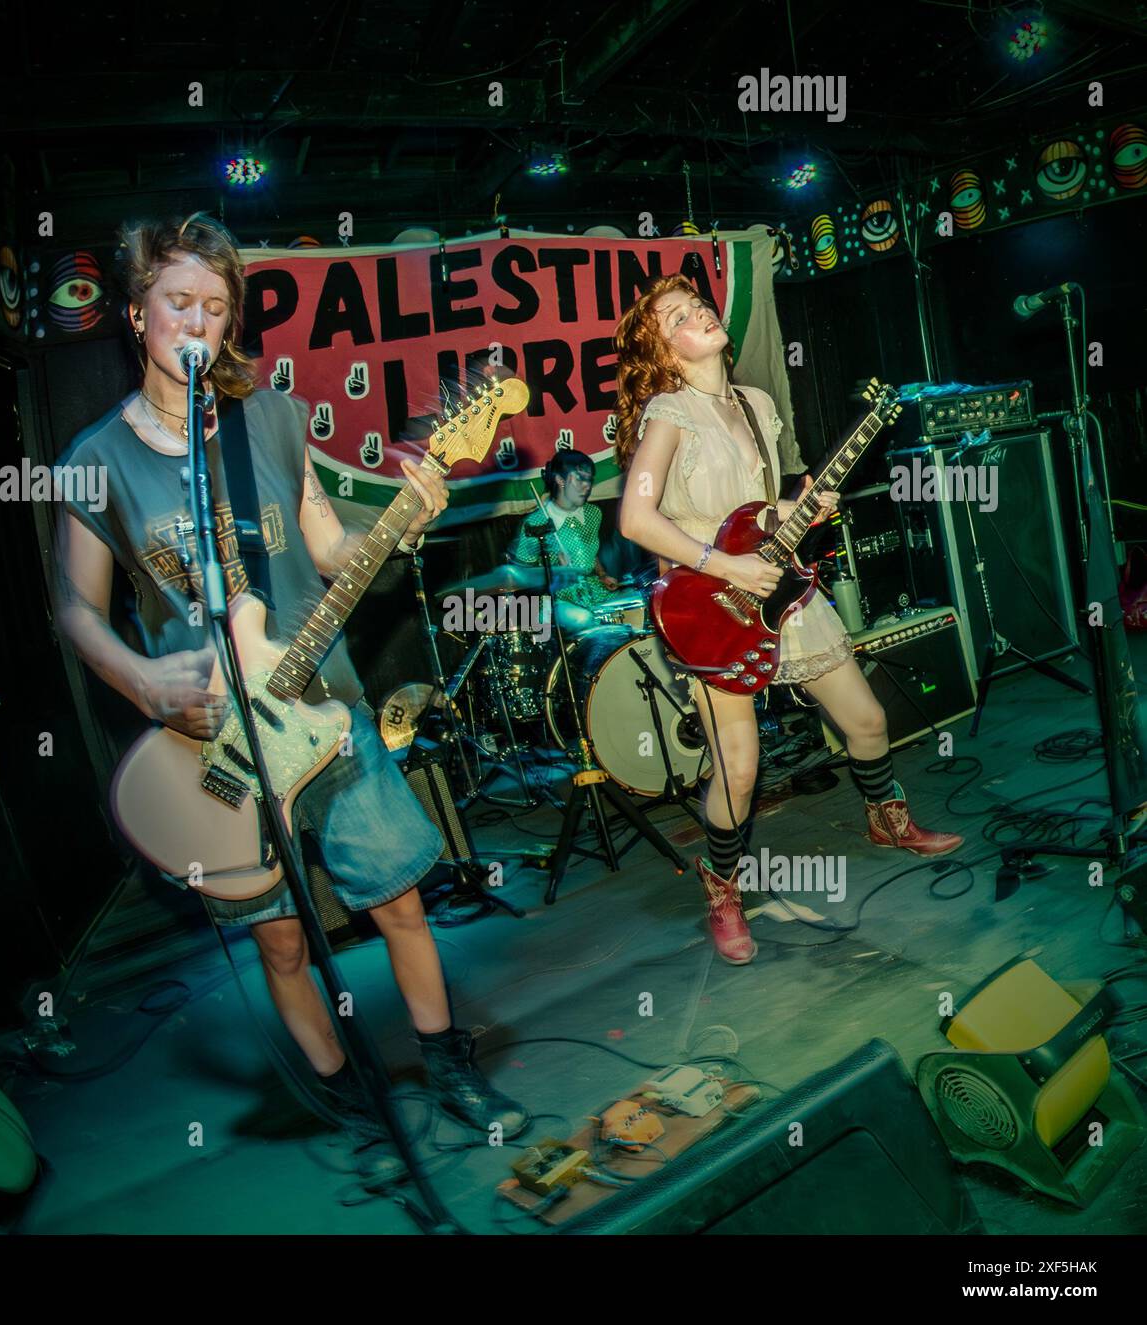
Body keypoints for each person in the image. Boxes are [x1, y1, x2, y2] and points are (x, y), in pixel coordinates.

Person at [53, 213, 528, 1190]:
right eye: (179, 301)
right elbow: (75, 608)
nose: (198, 321)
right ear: (138, 311)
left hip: (329, 711)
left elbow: (326, 548)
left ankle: (447, 1066)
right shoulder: (96, 458)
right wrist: (140, 679)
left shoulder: (267, 413)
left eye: (216, 306)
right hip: (212, 745)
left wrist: (399, 519)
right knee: (278, 935)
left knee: (396, 898)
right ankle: (347, 1092)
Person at [614, 274, 962, 964]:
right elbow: (636, 518)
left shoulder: (757, 402)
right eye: (680, 316)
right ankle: (722, 888)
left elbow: (756, 509)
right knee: (739, 770)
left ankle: (885, 816)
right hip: (713, 605)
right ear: (666, 350)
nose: (702, 314)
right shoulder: (666, 414)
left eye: (700, 304)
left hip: (777, 585)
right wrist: (726, 566)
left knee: (867, 721)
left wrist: (793, 512)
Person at [507, 449, 620, 632]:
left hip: (592, 592)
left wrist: (602, 575)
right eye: (579, 479)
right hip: (556, 599)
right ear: (560, 480)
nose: (587, 486)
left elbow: (591, 553)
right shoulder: (536, 523)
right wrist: (554, 571)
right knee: (584, 619)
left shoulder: (593, 514)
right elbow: (520, 575)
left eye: (589, 479)